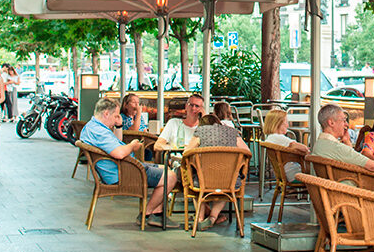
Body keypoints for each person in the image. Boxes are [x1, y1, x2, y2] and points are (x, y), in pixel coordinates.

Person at [81, 96, 177, 227]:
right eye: (115, 116)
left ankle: (157, 214)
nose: (117, 118)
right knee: (170, 176)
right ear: (106, 113)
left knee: (163, 169)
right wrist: (132, 145)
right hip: (122, 172)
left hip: (122, 168)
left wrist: (119, 125)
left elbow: (117, 143)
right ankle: (147, 213)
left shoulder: (93, 127)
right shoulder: (99, 132)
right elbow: (119, 153)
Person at [183, 113, 251, 228]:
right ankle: (213, 217)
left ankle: (200, 219)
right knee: (227, 183)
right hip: (230, 182)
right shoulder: (233, 132)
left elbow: (186, 153)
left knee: (194, 179)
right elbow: (247, 152)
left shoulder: (200, 132)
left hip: (204, 182)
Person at [311, 103, 374, 173]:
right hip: (350, 185)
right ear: (331, 123)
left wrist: (347, 141)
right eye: (344, 120)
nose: (346, 124)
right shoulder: (336, 148)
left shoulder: (321, 143)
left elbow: (349, 156)